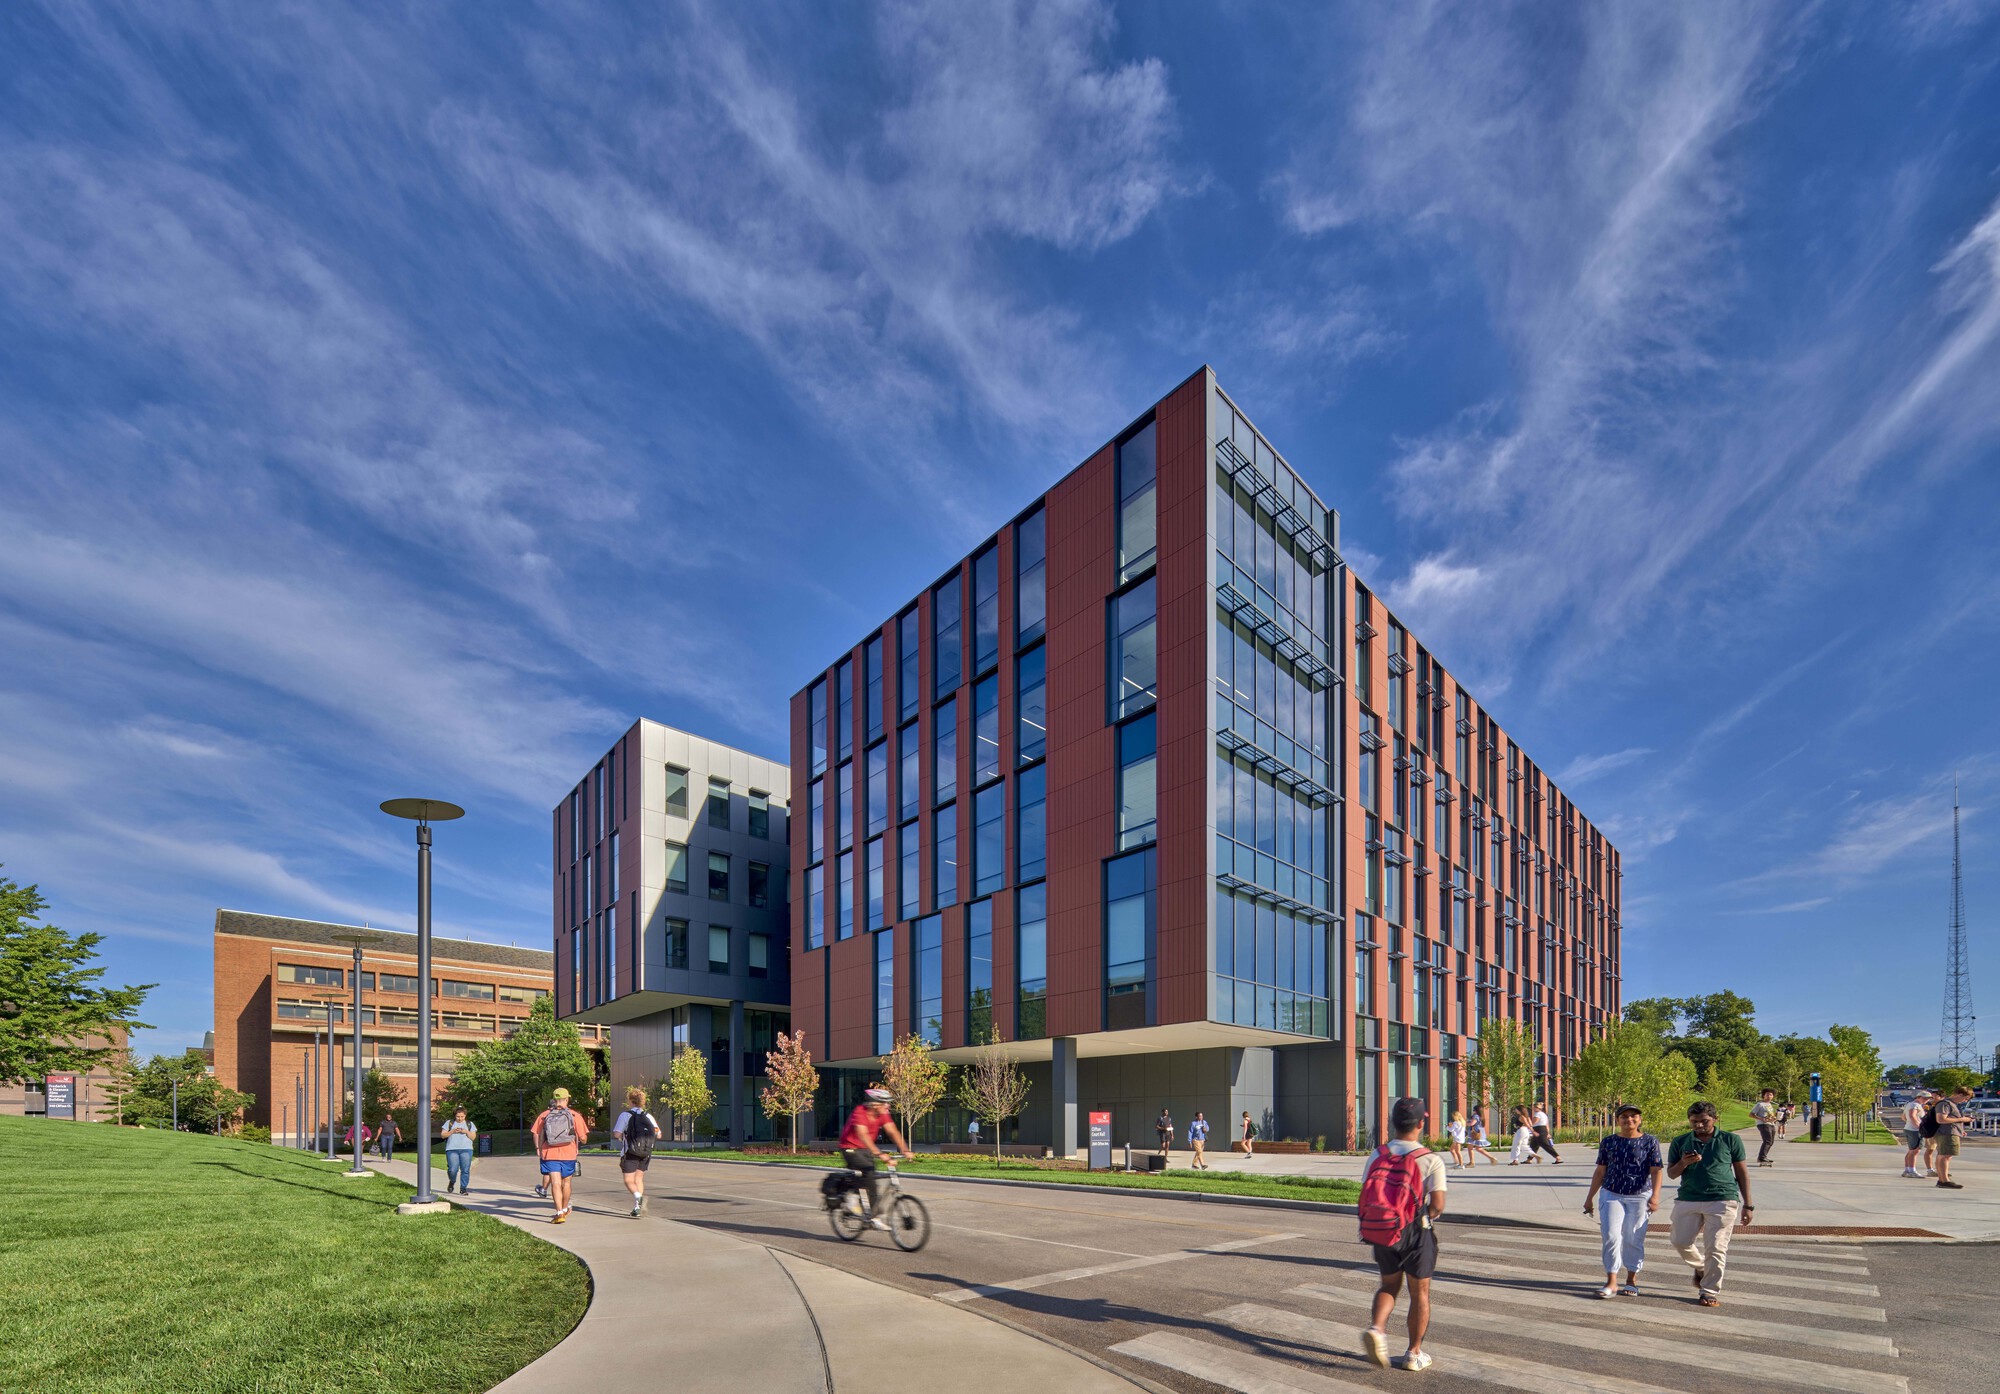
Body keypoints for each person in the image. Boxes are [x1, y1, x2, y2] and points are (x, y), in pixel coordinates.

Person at [1358, 1097, 1447, 1373]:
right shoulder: (1431, 1159)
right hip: (1416, 1230)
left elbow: (1368, 1190)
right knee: (1419, 1292)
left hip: (1383, 1229)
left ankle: (1377, 1328)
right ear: (1422, 1123)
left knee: (1388, 1286)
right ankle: (1413, 1353)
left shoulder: (1378, 1154)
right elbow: (1438, 1205)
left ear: (1393, 1123)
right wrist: (1426, 1215)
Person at [1667, 1101, 1753, 1307]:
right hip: (1688, 1198)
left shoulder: (1730, 1140)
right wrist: (1685, 1163)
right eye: (1694, 1122)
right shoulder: (1680, 1141)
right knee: (1680, 1241)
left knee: (1716, 1247)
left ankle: (1709, 1291)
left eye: (1704, 1121)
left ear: (1715, 1119)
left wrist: (1748, 1204)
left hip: (1723, 1199)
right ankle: (1701, 1268)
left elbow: (1742, 1172)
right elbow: (1671, 1173)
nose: (1699, 1126)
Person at [1583, 1105, 1665, 1298]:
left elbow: (1656, 1170)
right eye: (1624, 1117)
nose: (1629, 1120)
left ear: (1640, 1119)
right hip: (1612, 1193)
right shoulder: (1609, 1142)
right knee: (1611, 1235)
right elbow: (1600, 1171)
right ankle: (1611, 1282)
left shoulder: (1650, 1142)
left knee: (1633, 1237)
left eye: (1633, 1116)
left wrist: (1655, 1196)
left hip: (1640, 1195)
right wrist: (1589, 1198)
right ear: (1617, 1120)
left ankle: (1631, 1279)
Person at [839, 1086, 914, 1229]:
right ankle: (854, 1200)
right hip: (849, 1147)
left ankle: (871, 1214)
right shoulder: (859, 1112)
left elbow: (893, 1132)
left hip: (865, 1149)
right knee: (868, 1172)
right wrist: (880, 1154)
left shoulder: (883, 1114)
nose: (888, 1106)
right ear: (875, 1104)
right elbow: (863, 1135)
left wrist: (905, 1149)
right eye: (885, 1103)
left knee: (872, 1180)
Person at [532, 1087, 590, 1224]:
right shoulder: (575, 1115)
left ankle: (559, 1213)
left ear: (554, 1099)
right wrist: (579, 1139)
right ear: (567, 1099)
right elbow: (583, 1138)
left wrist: (538, 1148)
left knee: (556, 1183)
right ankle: (564, 1209)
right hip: (568, 1153)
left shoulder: (544, 1115)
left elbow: (537, 1133)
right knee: (567, 1182)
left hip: (549, 1153)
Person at [612, 1086, 661, 1218]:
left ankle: (639, 1198)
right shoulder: (648, 1116)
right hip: (646, 1153)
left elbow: (617, 1134)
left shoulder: (626, 1115)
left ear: (631, 1101)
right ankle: (637, 1207)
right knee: (639, 1178)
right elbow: (659, 1134)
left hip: (631, 1152)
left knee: (628, 1180)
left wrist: (623, 1135)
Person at [1932, 1088, 1972, 1190]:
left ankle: (1942, 1179)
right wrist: (1962, 1119)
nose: (1965, 1101)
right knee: (1945, 1155)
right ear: (1959, 1094)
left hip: (1949, 1132)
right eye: (1965, 1098)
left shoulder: (1950, 1104)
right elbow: (1941, 1119)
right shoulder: (1945, 1104)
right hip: (1947, 1133)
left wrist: (1960, 1128)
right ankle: (1944, 1180)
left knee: (1943, 1155)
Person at [442, 1108, 478, 1194]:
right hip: (452, 1149)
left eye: (462, 1116)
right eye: (458, 1116)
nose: (460, 1118)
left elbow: (473, 1137)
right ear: (455, 1116)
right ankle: (452, 1181)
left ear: (465, 1115)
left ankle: (463, 1188)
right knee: (452, 1169)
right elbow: (443, 1135)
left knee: (465, 1170)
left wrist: (466, 1131)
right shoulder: (449, 1123)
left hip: (466, 1149)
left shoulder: (469, 1124)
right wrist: (452, 1131)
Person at [1902, 1092, 1933, 1177]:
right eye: (1925, 1098)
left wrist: (1909, 1123)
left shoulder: (1910, 1104)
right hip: (1914, 1130)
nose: (1927, 1100)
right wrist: (1919, 1126)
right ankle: (1912, 1170)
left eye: (1929, 1098)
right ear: (1918, 1097)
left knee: (1911, 1150)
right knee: (1915, 1150)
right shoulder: (1915, 1105)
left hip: (1909, 1128)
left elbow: (1904, 1117)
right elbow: (1912, 1116)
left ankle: (1908, 1170)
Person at [1750, 1089, 1778, 1167]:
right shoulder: (1760, 1104)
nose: (1769, 1096)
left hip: (1771, 1124)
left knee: (1771, 1141)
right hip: (1763, 1124)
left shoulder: (1769, 1105)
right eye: (1767, 1094)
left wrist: (1774, 1118)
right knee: (1767, 1140)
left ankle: (1764, 1156)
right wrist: (1761, 1118)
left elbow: (1769, 1114)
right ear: (1764, 1095)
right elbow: (1751, 1114)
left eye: (1771, 1095)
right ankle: (1761, 1157)